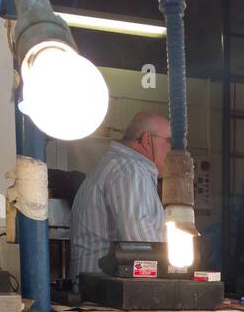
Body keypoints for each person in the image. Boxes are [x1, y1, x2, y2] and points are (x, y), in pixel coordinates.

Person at [70, 111, 171, 278]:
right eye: (168, 141)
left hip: (96, 290)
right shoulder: (130, 171)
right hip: (101, 296)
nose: (171, 150)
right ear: (147, 140)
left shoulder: (118, 166)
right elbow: (145, 248)